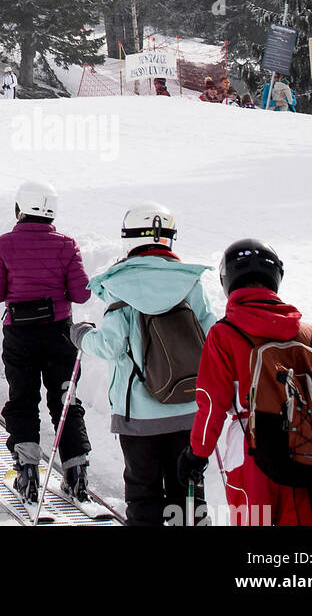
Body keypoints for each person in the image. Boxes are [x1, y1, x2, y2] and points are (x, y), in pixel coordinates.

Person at [180, 240, 312, 527]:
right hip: (303, 447)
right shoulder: (304, 333)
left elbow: (212, 402)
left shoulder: (224, 333)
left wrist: (196, 454)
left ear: (227, 279)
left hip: (249, 450)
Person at [78, 203, 216, 525]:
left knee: (143, 492)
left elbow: (110, 346)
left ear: (129, 238)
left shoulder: (119, 285)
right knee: (187, 492)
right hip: (187, 408)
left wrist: (81, 335)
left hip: (138, 415)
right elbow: (211, 338)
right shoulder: (190, 283)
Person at [0, 181, 93, 503]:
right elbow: (81, 293)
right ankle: (76, 472)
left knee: (22, 398)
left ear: (19, 208)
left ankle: (27, 470)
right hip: (60, 332)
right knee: (65, 399)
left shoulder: (4, 244)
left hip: (19, 333)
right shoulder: (67, 244)